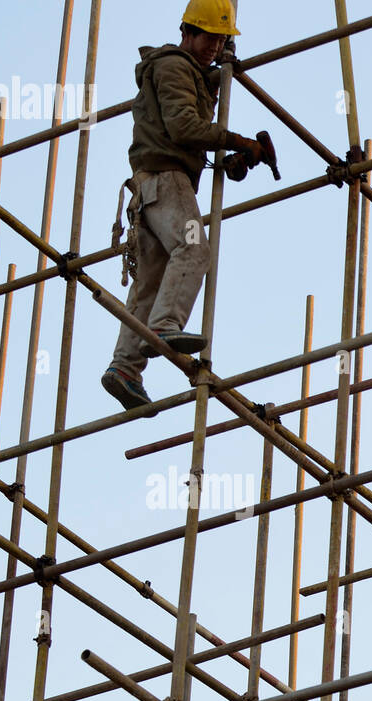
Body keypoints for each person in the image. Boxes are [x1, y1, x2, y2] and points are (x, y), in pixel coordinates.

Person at [102, 1, 267, 413]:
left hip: (152, 185)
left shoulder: (187, 71)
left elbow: (183, 131)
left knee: (151, 282)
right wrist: (238, 141)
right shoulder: (174, 66)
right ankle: (164, 325)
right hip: (166, 180)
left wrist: (227, 158)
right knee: (194, 248)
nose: (214, 46)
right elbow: (183, 127)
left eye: (220, 39)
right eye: (209, 36)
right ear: (188, 31)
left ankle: (125, 367)